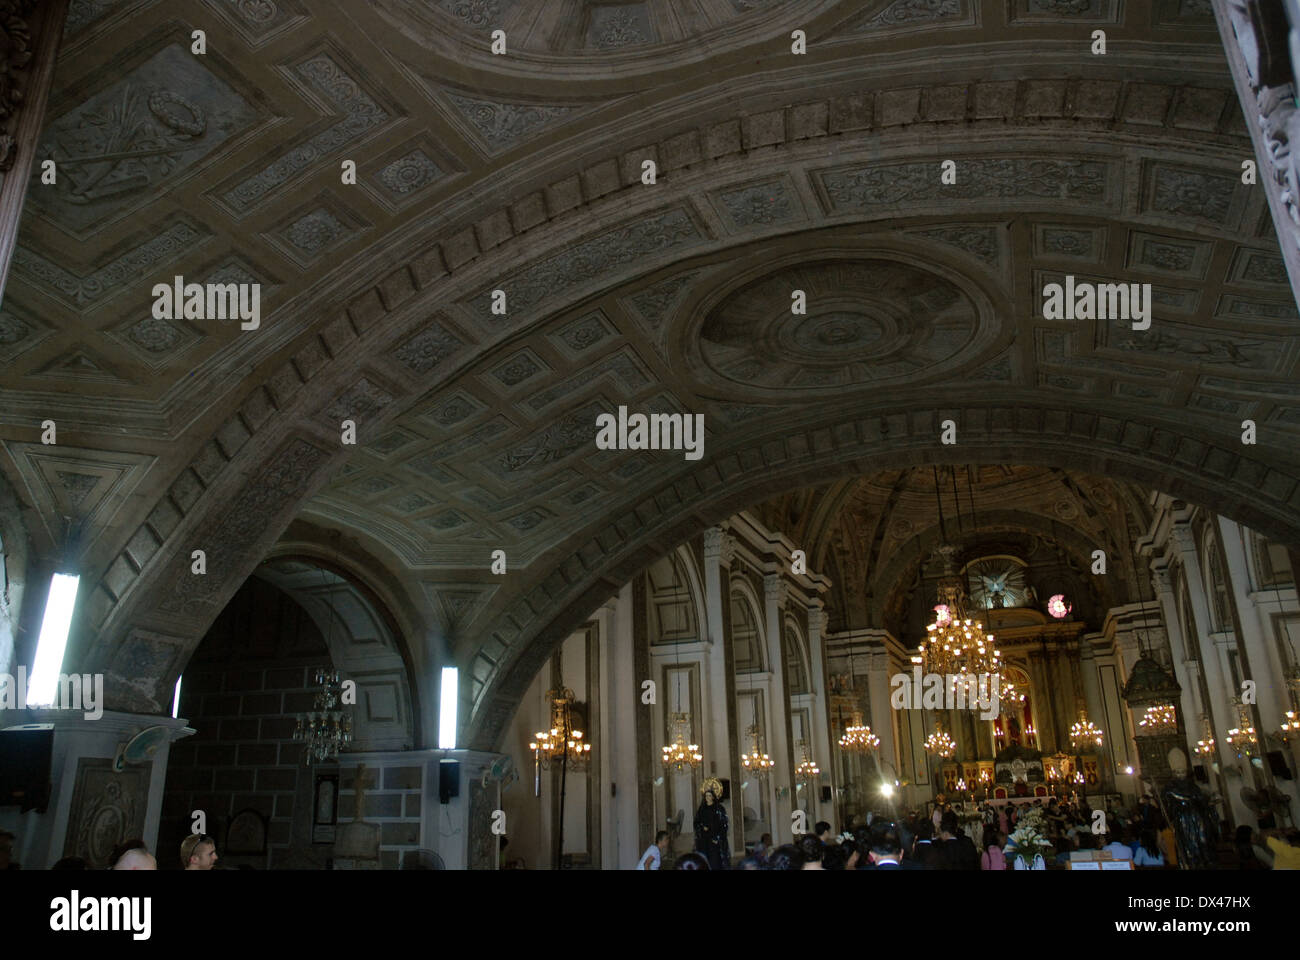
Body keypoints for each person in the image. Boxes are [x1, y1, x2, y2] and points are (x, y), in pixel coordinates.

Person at [693, 778, 729, 870]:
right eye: (706, 796)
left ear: (713, 797)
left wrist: (718, 837)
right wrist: (701, 827)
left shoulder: (719, 809)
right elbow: (697, 822)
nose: (708, 798)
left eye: (709, 796)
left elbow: (723, 824)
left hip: (715, 839)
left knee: (715, 861)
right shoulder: (702, 809)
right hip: (704, 840)